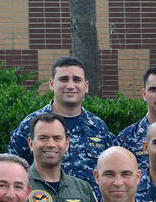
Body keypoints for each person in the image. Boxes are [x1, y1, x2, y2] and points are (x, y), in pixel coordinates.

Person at [9, 56, 113, 184]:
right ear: (52, 84)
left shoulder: (98, 127)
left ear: (85, 86)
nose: (70, 85)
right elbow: (13, 170)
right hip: (43, 201)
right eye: (64, 79)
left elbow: (109, 170)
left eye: (76, 80)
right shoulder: (30, 124)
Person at [25, 113, 97, 202]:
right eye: (43, 138)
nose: (51, 144)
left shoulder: (83, 189)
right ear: (31, 144)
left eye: (57, 138)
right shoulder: (20, 186)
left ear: (67, 144)